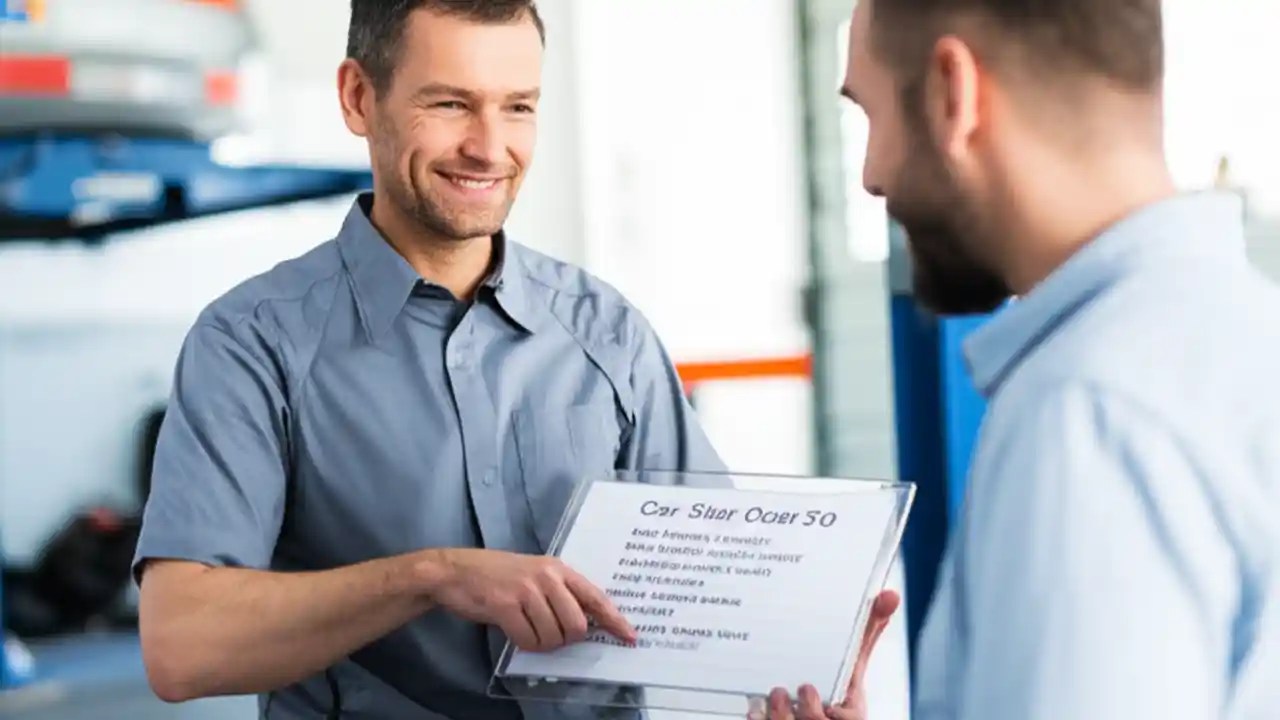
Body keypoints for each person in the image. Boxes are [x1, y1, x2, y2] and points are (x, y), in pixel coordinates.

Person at [134, 2, 897, 719]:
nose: (489, 147)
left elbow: (716, 608)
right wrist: (432, 576)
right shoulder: (252, 343)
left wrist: (798, 667)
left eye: (519, 106)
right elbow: (182, 647)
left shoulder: (609, 335)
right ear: (359, 97)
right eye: (450, 104)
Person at [765, 0, 1280, 718]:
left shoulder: (1086, 413)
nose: (872, 176)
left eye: (871, 116)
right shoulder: (1244, 333)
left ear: (953, 93)